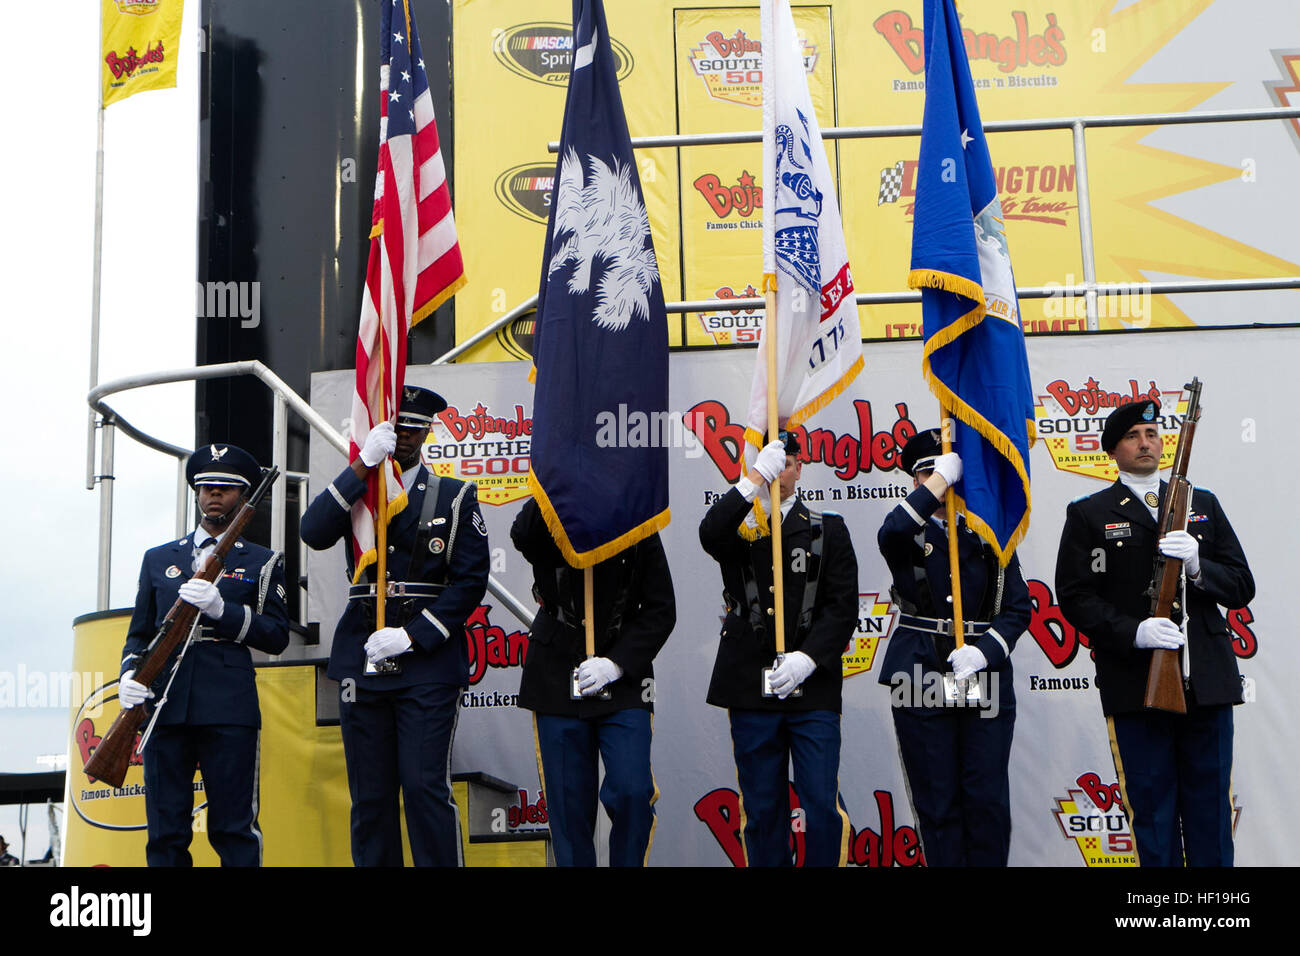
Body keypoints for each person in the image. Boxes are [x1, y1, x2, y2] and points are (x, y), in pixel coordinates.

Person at [1055, 398, 1254, 866]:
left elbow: (1242, 585)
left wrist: (1199, 566)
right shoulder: (1090, 513)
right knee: (1153, 813)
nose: (1145, 443)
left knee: (1210, 812)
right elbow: (1076, 597)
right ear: (1112, 450)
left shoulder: (1201, 504)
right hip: (1136, 684)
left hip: (1206, 683)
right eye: (1132, 437)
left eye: (1152, 435)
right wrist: (1135, 632)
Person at [301, 385, 489, 866]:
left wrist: (414, 634)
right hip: (363, 652)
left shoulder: (454, 494)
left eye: (414, 425)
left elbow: (469, 582)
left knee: (425, 789)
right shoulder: (358, 491)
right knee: (370, 798)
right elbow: (313, 531)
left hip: (425, 660)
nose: (404, 433)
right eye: (396, 423)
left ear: (429, 430)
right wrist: (362, 464)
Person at [118, 443, 289, 867]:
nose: (214, 495)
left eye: (226, 489)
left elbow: (276, 635)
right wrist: (129, 676)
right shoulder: (159, 559)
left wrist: (222, 610)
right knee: (165, 832)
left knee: (233, 829)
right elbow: (140, 633)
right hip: (165, 702)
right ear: (196, 493)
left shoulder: (262, 562)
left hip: (228, 705)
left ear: (244, 497)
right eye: (207, 487)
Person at [698, 432, 858, 867]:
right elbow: (709, 534)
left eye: (788, 461)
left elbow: (842, 609)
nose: (781, 470)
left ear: (800, 468)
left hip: (814, 689)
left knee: (822, 806)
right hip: (751, 685)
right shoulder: (739, 527)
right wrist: (752, 481)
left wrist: (808, 659)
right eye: (773, 462)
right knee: (763, 810)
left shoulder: (829, 529)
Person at [876, 428, 1029, 866]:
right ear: (914, 481)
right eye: (927, 474)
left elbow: (1017, 608)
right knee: (937, 801)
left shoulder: (990, 534)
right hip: (920, 671)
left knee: (987, 801)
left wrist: (986, 651)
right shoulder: (905, 534)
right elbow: (892, 530)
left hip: (982, 673)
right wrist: (937, 482)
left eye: (946, 474)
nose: (940, 484)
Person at [511, 497, 675, 866]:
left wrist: (616, 665)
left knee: (633, 793)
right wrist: (552, 482)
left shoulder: (636, 517)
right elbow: (523, 535)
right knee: (568, 811)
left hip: (621, 678)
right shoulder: (548, 512)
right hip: (556, 673)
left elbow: (661, 608)